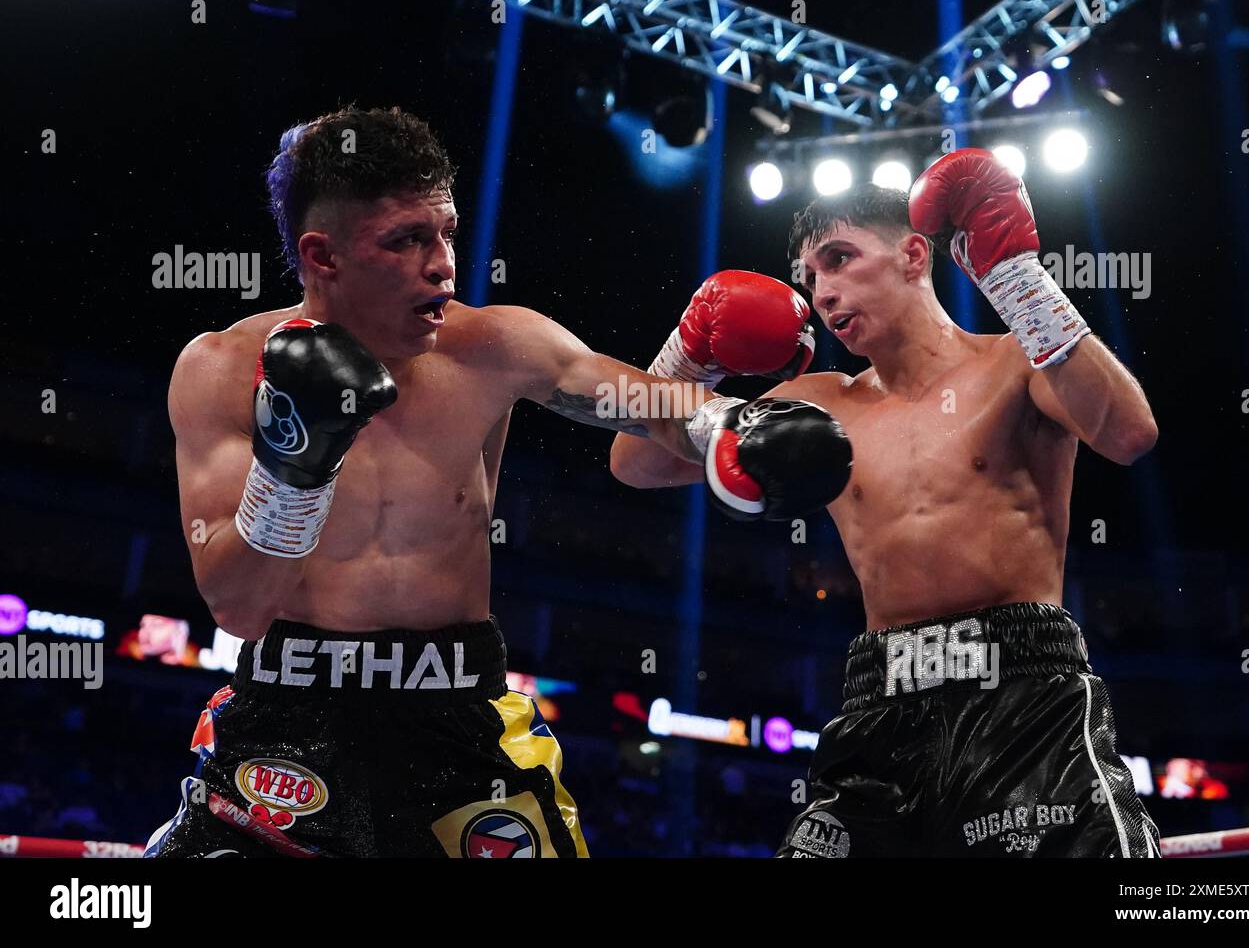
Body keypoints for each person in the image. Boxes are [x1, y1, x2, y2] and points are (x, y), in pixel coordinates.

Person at [146, 105, 847, 858]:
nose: (443, 263)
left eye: (445, 231)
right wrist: (296, 468)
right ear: (323, 256)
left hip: (459, 713)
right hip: (285, 716)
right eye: (407, 240)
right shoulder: (221, 369)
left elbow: (640, 403)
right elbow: (239, 606)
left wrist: (731, 425)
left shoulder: (494, 345)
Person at [610, 148, 1162, 857]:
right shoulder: (816, 408)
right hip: (880, 705)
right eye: (809, 277)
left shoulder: (1015, 364)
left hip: (1023, 699)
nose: (822, 291)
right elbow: (635, 461)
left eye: (839, 258)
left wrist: (1016, 277)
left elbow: (1128, 432)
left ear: (911, 255)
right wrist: (691, 352)